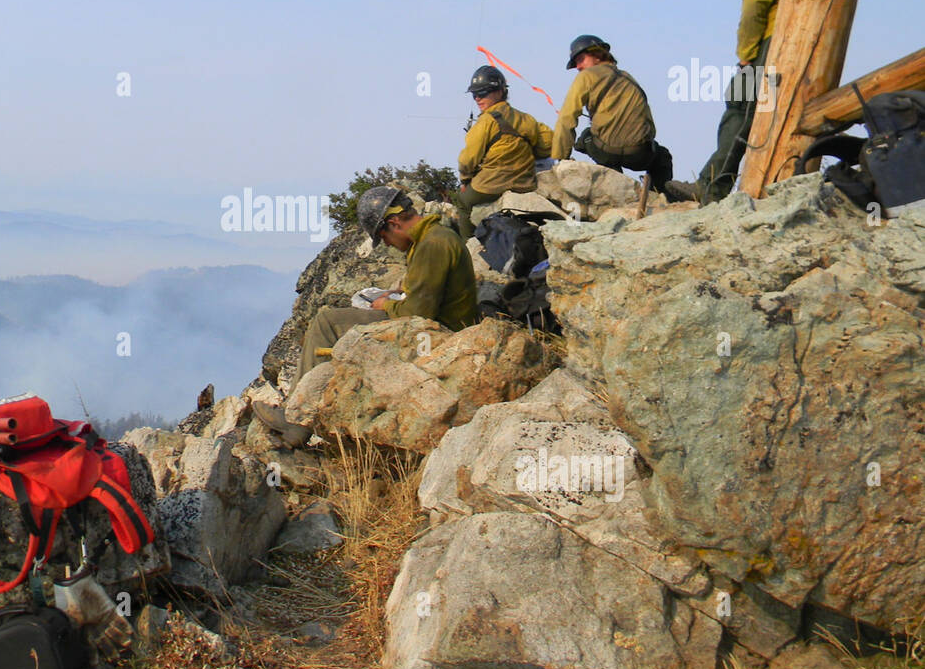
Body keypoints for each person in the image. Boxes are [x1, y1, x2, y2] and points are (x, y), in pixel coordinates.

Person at [251, 185, 478, 443]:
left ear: (392, 224)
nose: (390, 245)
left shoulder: (432, 245)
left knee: (327, 322)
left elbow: (417, 314)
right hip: (439, 325)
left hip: (436, 334)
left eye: (385, 237)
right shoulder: (434, 237)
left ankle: (296, 422)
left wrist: (386, 305)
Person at [668, 0, 794, 204]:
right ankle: (713, 183)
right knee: (744, 111)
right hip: (774, 42)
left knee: (741, 112)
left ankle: (712, 189)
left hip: (766, 44)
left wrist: (747, 57)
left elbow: (755, 4)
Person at [552, 34, 677, 197]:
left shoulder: (586, 77)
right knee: (662, 156)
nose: (578, 67)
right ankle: (660, 197)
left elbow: (566, 119)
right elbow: (649, 124)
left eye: (581, 59)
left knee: (585, 138)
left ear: (597, 55)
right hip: (639, 153)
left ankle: (612, 176)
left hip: (607, 150)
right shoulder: (628, 78)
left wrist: (560, 161)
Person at [455, 66, 554, 241]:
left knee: (462, 201)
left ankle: (468, 247)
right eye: (474, 94)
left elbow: (468, 159)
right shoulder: (527, 119)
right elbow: (548, 142)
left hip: (492, 185)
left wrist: (465, 179)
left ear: (500, 91)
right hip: (525, 184)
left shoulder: (485, 121)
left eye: (483, 93)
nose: (478, 98)